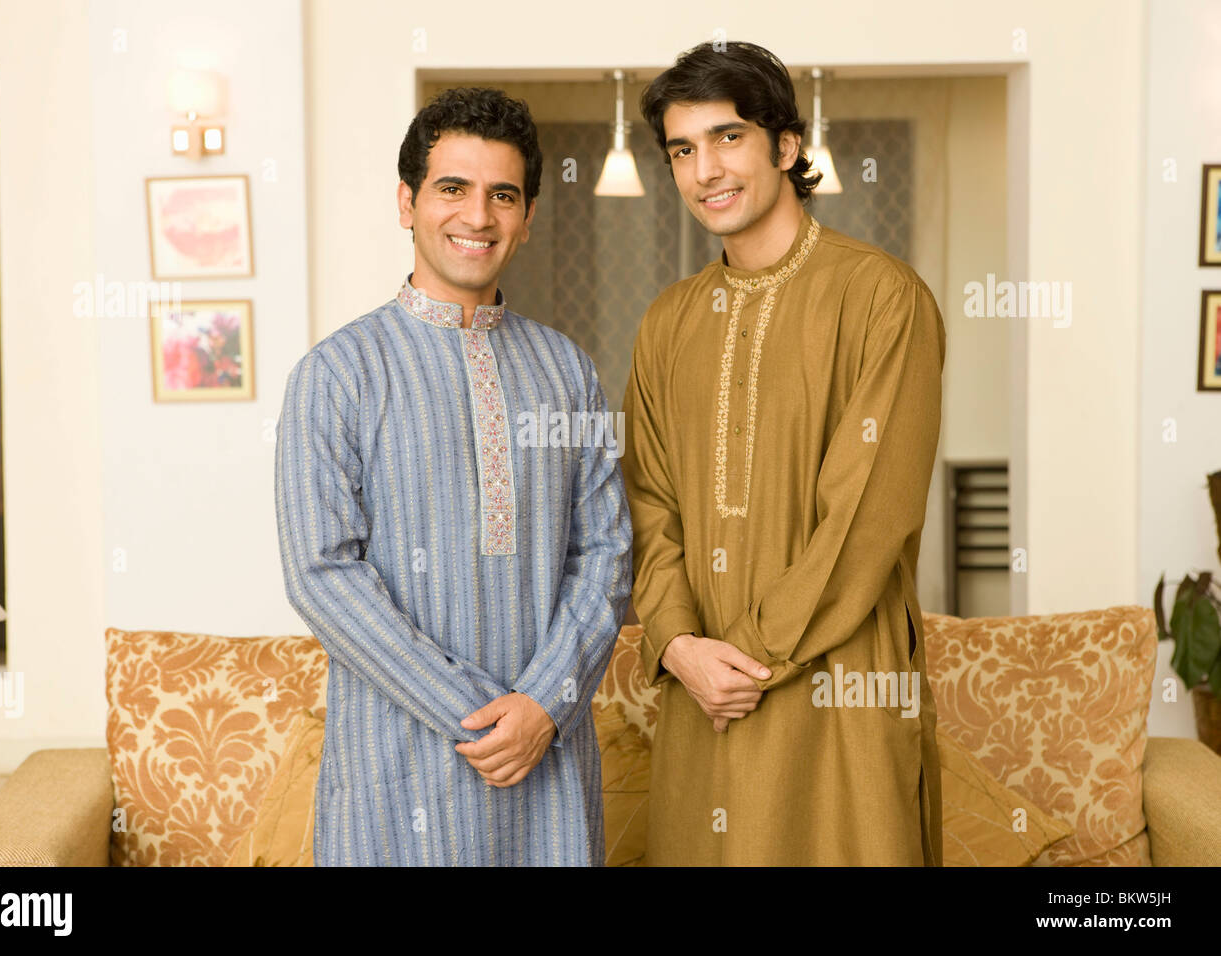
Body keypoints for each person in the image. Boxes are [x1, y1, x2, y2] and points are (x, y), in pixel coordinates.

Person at [275, 87, 632, 866]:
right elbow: (321, 575)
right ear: (406, 203)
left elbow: (607, 557)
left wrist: (544, 702)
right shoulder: (337, 374)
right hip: (397, 761)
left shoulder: (569, 371)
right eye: (452, 188)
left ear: (528, 216)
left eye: (503, 194)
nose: (478, 216)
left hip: (547, 757)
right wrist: (470, 711)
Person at [622, 41, 945, 865]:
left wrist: (750, 659)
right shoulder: (668, 321)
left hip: (837, 683)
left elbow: (868, 517)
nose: (705, 171)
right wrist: (677, 643)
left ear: (787, 147)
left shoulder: (882, 297)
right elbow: (648, 503)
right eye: (682, 151)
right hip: (702, 691)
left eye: (727, 137)